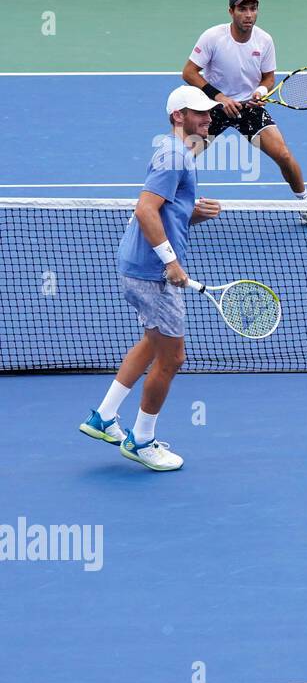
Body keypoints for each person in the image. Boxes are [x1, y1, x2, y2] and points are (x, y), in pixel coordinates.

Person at [79, 86, 224, 471]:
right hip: (152, 271)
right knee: (172, 357)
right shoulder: (174, 157)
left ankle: (104, 417)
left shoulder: (180, 152)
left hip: (139, 265)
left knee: (151, 339)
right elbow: (144, 209)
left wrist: (192, 214)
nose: (207, 119)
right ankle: (141, 441)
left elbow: (162, 211)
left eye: (208, 113)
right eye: (199, 113)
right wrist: (171, 263)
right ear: (178, 115)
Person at [182, 0, 307, 227]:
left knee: (283, 155)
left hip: (248, 108)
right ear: (231, 12)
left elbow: (268, 78)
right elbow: (188, 72)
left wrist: (259, 93)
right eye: (242, 9)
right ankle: (150, 211)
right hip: (212, 107)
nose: (248, 14)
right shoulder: (212, 37)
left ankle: (306, 207)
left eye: (253, 9)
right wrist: (220, 97)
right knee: (179, 158)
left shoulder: (264, 40)